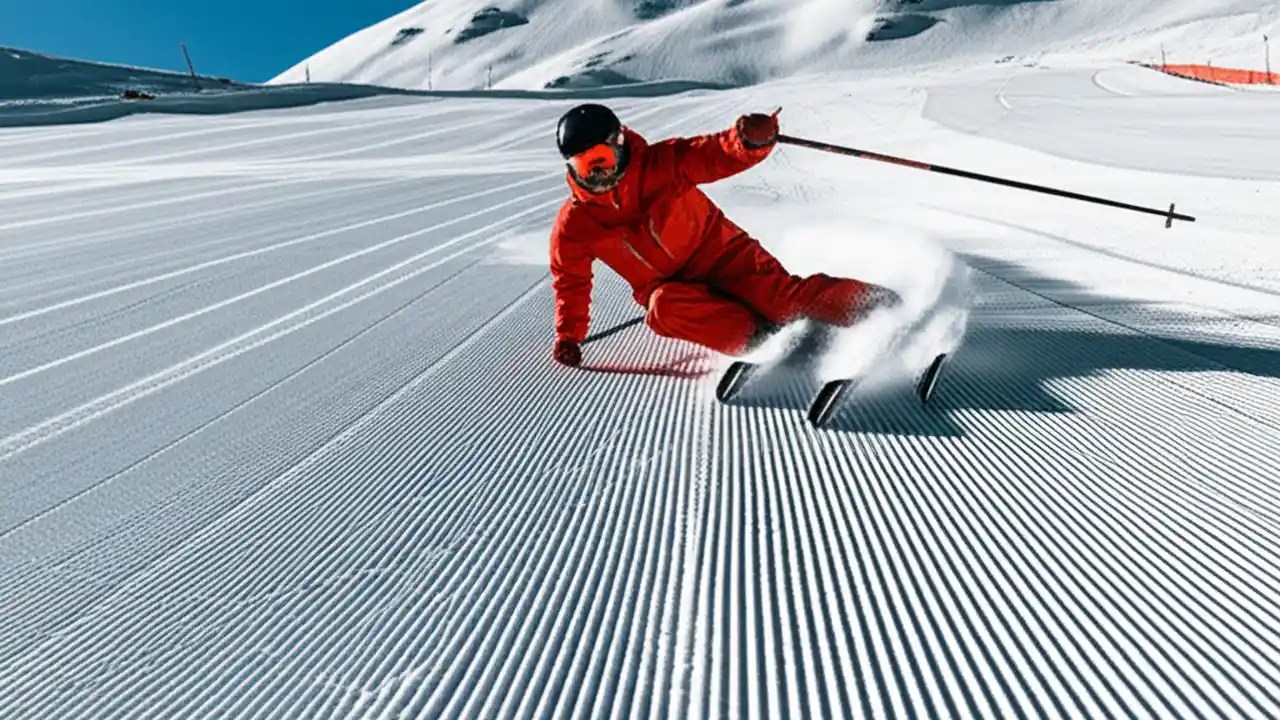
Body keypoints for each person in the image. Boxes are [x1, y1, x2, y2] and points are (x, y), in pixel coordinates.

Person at [549, 103, 898, 368]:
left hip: (725, 255)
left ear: (620, 144)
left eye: (602, 159)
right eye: (584, 165)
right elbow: (571, 282)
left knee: (782, 301)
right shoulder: (574, 225)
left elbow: (714, 153)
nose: (597, 174)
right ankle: (764, 344)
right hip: (675, 289)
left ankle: (881, 308)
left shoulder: (663, 163)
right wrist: (568, 335)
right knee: (662, 310)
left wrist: (746, 142)